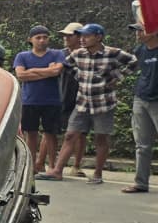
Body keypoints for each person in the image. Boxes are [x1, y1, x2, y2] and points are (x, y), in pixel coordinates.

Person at [40, 23, 138, 184]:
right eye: (81, 36)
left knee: (101, 138)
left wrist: (117, 77)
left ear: (98, 37)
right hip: (82, 102)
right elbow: (66, 65)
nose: (82, 39)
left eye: (87, 36)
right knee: (70, 135)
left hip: (103, 103)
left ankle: (98, 173)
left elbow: (133, 61)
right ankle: (57, 171)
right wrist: (79, 76)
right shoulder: (79, 54)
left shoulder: (112, 53)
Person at [13, 25, 65, 172]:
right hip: (30, 100)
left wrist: (33, 71)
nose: (42, 40)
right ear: (30, 40)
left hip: (52, 100)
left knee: (51, 134)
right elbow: (21, 75)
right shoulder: (22, 56)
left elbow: (56, 71)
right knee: (31, 134)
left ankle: (53, 166)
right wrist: (47, 71)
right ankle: (31, 165)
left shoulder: (57, 54)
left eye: (45, 37)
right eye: (38, 37)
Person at [123, 15, 158, 194]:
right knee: (142, 144)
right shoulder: (140, 50)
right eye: (136, 30)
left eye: (141, 30)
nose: (137, 33)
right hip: (141, 98)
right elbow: (129, 69)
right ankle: (140, 183)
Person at [58, 22, 87, 176]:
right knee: (55, 130)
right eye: (65, 35)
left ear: (79, 36)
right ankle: (46, 164)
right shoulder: (60, 54)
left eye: (70, 35)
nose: (66, 38)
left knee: (81, 133)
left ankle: (77, 166)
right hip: (62, 96)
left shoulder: (87, 54)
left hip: (82, 97)